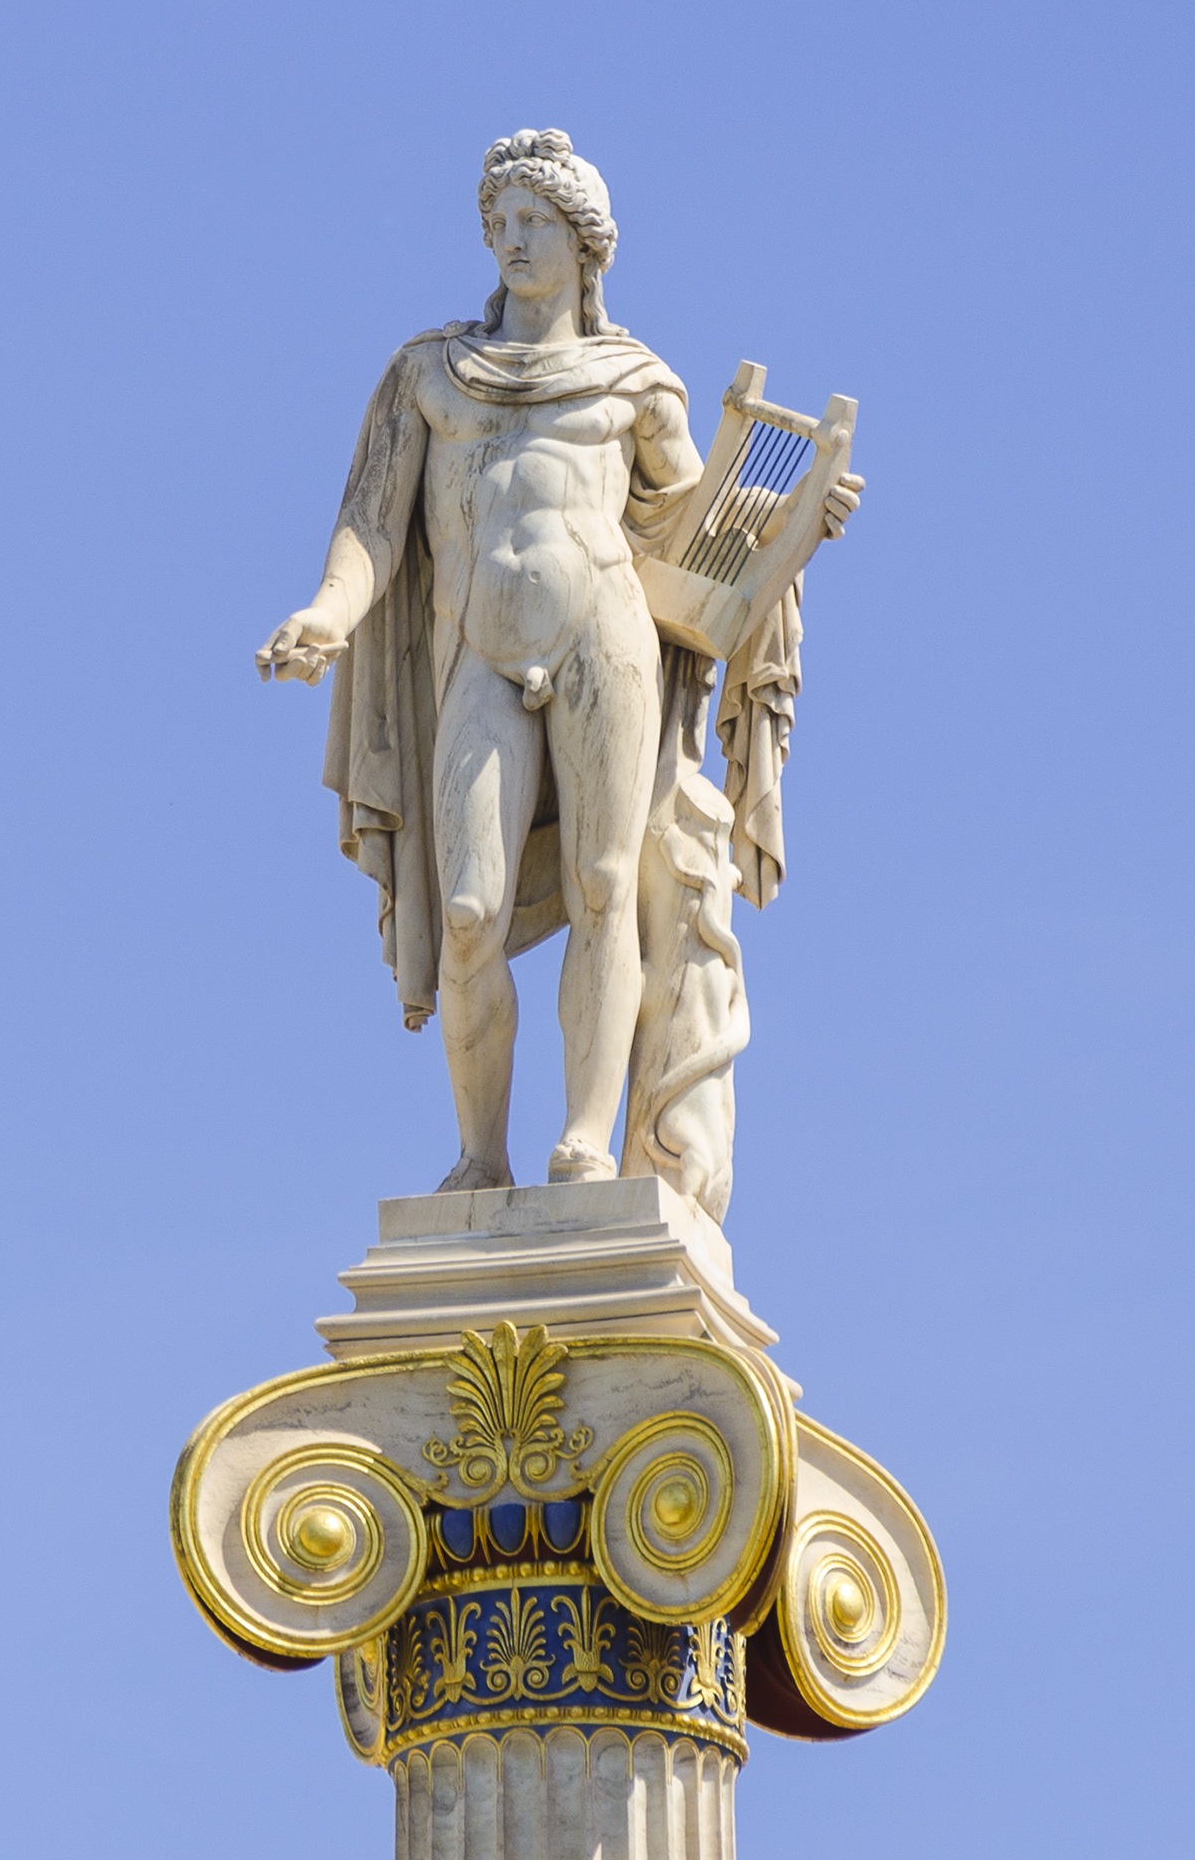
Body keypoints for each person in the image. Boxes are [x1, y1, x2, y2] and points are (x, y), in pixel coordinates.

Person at [256, 130, 855, 1193]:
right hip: (477, 647)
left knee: (603, 881)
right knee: (469, 913)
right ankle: (478, 1155)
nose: (509, 241)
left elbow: (686, 524)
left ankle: (583, 1135)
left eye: (531, 221)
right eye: (497, 224)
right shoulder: (430, 374)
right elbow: (369, 529)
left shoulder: (634, 382)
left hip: (603, 633)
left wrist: (788, 515)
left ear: (585, 245)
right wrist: (325, 614)